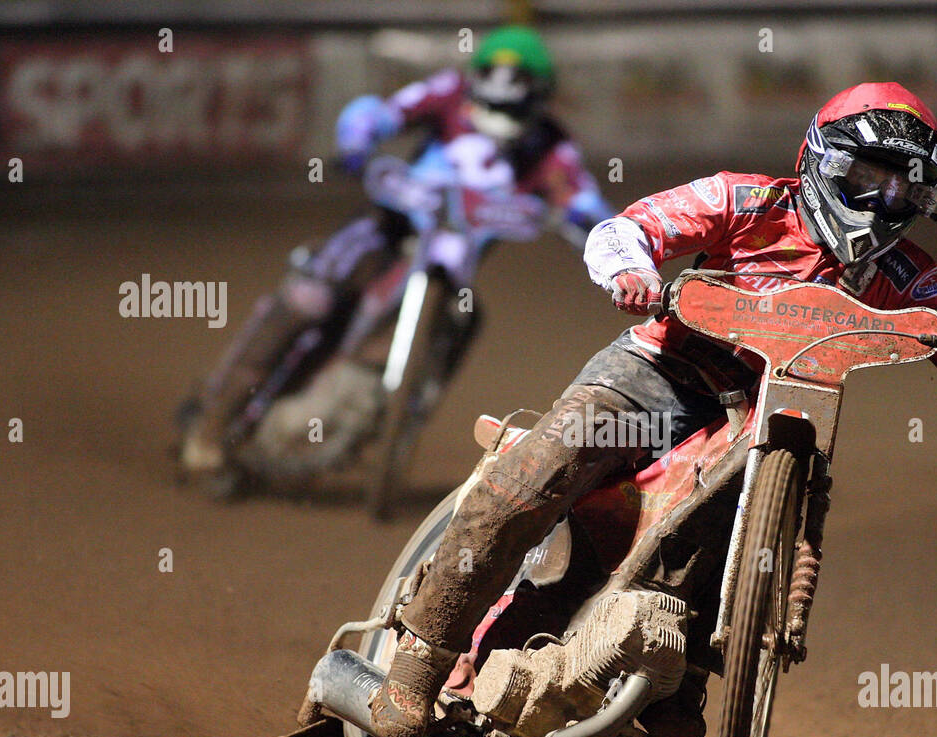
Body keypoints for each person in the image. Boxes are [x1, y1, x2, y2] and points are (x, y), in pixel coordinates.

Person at [369, 82, 937, 737]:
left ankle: (686, 668)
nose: (879, 203)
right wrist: (631, 273)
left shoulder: (908, 273)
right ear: (821, 160)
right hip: (658, 375)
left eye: (899, 192)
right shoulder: (744, 201)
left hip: (771, 411)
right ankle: (419, 661)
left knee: (752, 503)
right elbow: (626, 230)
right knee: (540, 466)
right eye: (864, 178)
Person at [179, 25, 613, 485]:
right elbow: (381, 113)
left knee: (460, 325)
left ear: (539, 98)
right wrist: (358, 138)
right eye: (490, 98)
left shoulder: (551, 145)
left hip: (448, 267)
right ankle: (209, 426)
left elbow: (581, 197)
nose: (497, 112)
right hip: (387, 230)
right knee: (309, 299)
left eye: (514, 102)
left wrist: (596, 228)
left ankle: (391, 421)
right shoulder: (447, 92)